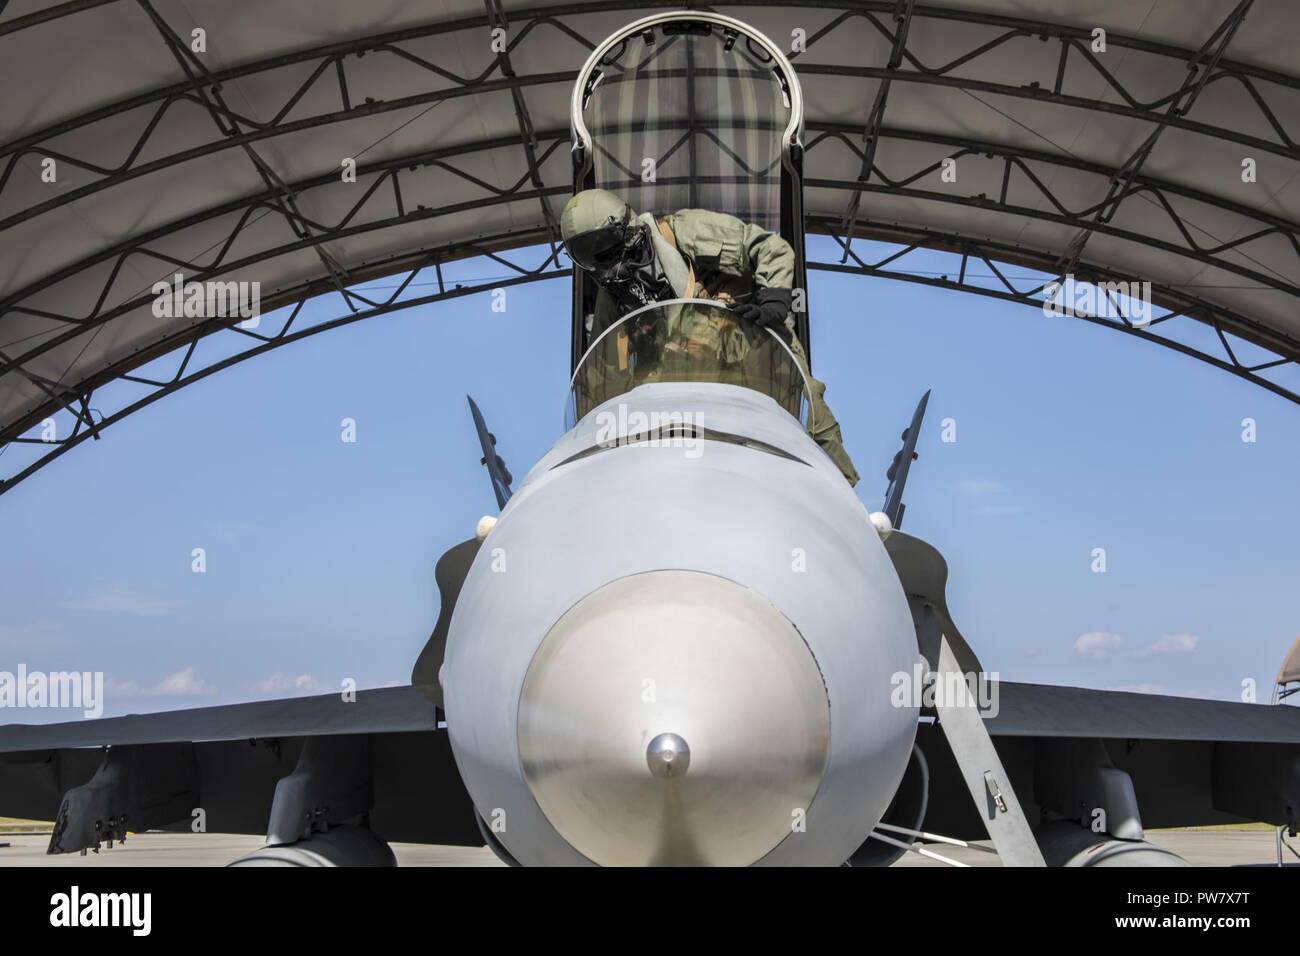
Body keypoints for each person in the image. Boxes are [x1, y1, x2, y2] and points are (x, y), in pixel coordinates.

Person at [560, 188, 860, 485]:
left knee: (818, 432)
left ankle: (846, 506)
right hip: (685, 387)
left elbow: (770, 248)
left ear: (627, 229)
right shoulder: (611, 297)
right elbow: (603, 372)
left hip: (755, 355)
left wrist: (773, 301)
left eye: (604, 247)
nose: (605, 267)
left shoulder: (683, 232)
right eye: (587, 258)